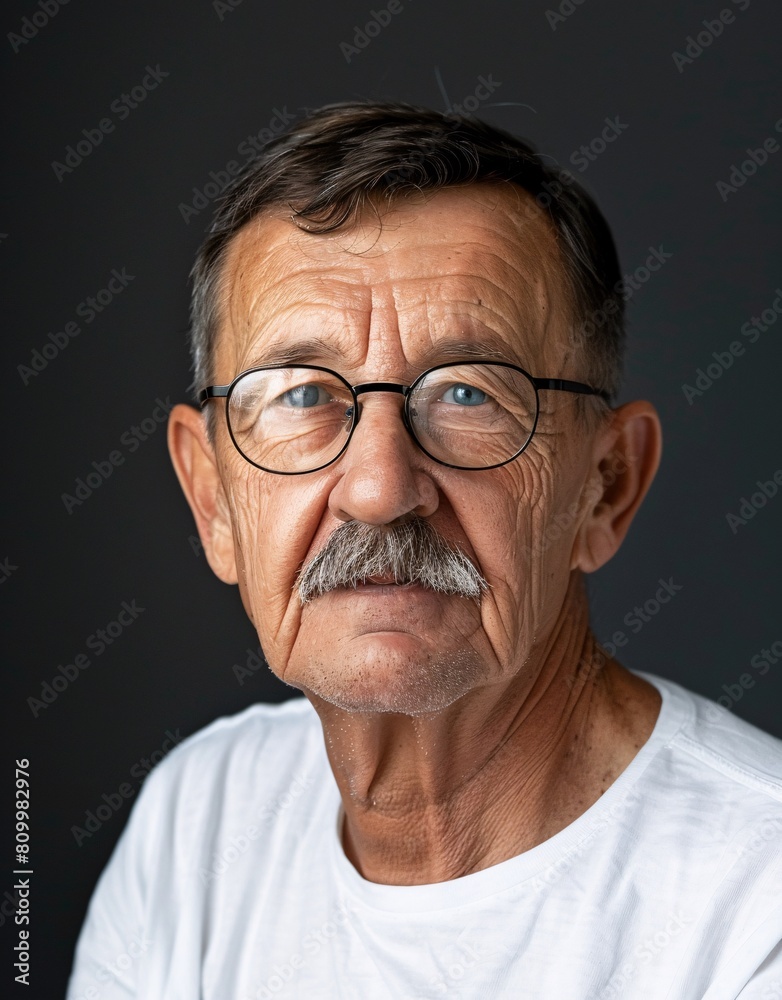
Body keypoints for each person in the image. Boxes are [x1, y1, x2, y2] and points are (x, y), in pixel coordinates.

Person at [67, 102, 782, 1000]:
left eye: (467, 393)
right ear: (213, 499)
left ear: (606, 487)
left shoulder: (757, 911)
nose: (378, 487)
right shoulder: (199, 820)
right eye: (298, 395)